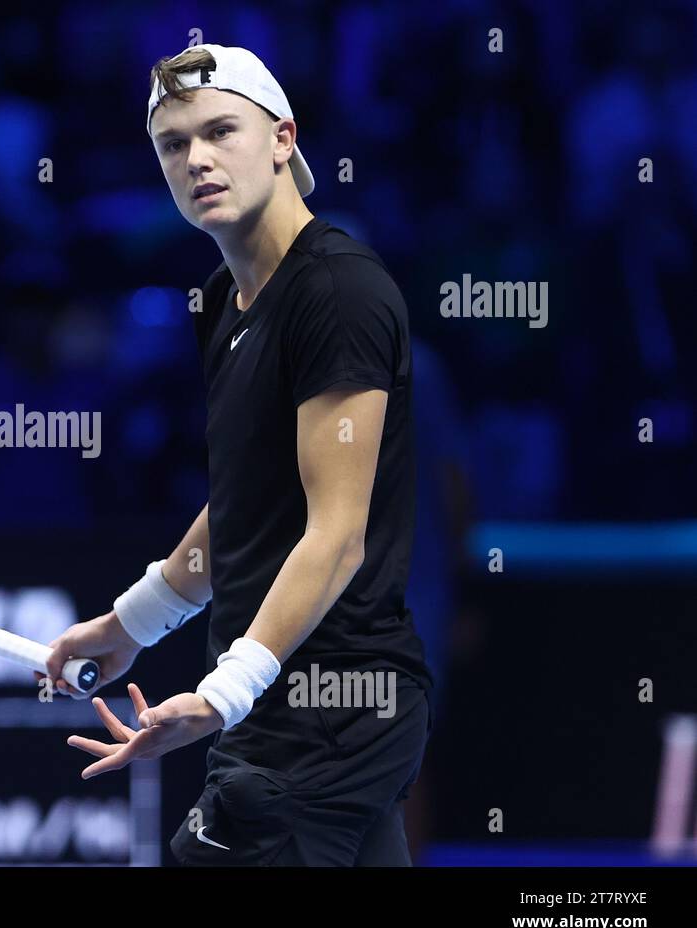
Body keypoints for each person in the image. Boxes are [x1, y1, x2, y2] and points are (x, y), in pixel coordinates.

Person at [39, 43, 434, 865]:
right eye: (173, 145)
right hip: (318, 726)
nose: (197, 159)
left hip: (317, 721)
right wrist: (131, 624)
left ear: (284, 137)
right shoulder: (225, 300)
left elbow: (336, 536)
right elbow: (250, 503)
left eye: (221, 131)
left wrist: (222, 695)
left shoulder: (337, 291)